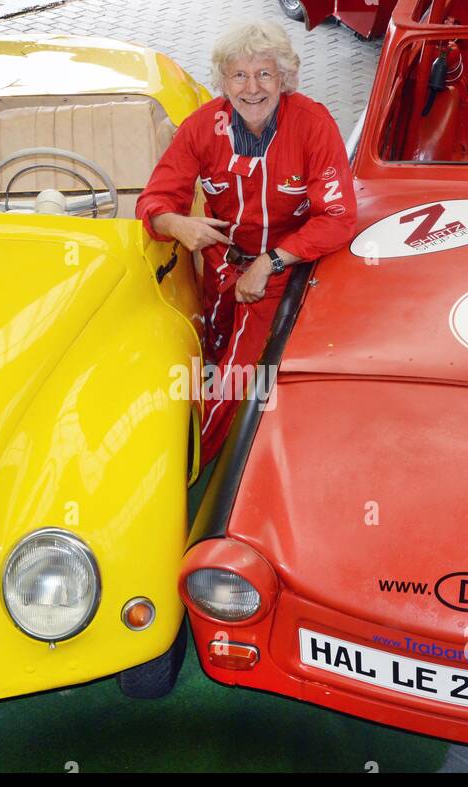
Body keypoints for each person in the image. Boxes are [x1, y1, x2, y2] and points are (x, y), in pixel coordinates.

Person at [136, 20, 356, 463]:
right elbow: (154, 201)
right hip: (217, 264)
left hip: (279, 270)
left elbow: (339, 216)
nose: (252, 88)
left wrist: (271, 261)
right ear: (222, 82)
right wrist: (179, 225)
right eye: (239, 75)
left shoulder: (313, 125)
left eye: (264, 74)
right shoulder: (202, 127)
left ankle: (188, 473)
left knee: (236, 379)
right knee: (210, 347)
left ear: (285, 78)